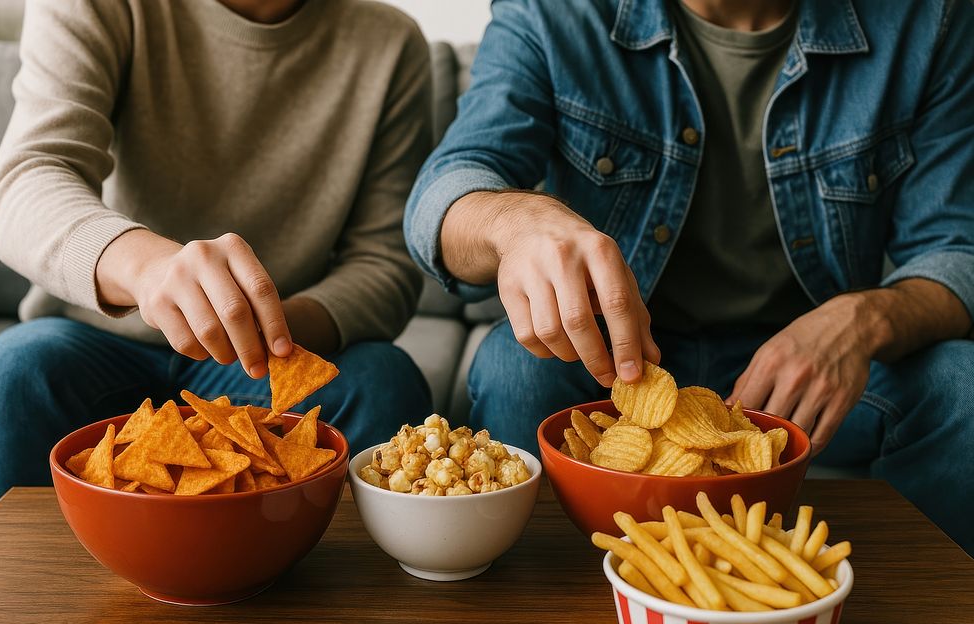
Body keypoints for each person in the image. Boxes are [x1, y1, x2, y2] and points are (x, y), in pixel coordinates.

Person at [404, 0, 974, 552]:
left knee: (961, 385)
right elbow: (444, 192)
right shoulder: (552, 13)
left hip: (809, 362)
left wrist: (862, 320)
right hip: (620, 358)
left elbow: (956, 247)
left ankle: (917, 611)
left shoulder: (929, 19)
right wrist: (516, 221)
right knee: (515, 367)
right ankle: (553, 613)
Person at [0, 0, 433, 518]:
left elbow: (385, 261)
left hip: (263, 359)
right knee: (14, 371)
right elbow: (27, 180)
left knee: (383, 382)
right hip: (95, 341)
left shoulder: (390, 43)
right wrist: (146, 269)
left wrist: (272, 329)